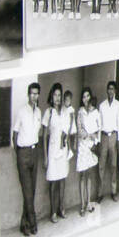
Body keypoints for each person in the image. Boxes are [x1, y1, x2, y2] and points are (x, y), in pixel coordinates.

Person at [11, 82, 43, 236]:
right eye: (32, 93)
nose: (34, 96)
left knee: (30, 191)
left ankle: (24, 224)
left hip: (34, 152)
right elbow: (15, 133)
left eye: (36, 93)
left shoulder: (39, 112)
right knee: (27, 191)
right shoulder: (21, 111)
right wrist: (18, 153)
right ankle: (32, 221)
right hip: (23, 153)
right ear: (28, 94)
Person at [44, 83, 73, 221]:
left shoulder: (65, 111)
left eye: (59, 95)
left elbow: (68, 128)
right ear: (51, 96)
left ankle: (61, 208)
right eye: (55, 95)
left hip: (63, 148)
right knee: (53, 181)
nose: (57, 98)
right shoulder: (49, 112)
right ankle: (53, 212)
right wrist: (45, 156)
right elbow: (44, 136)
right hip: (52, 150)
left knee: (62, 179)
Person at [75, 88, 101, 216]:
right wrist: (89, 135)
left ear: (91, 97)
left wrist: (95, 142)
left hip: (91, 146)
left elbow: (99, 129)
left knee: (89, 175)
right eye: (84, 96)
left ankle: (89, 202)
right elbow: (79, 130)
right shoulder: (80, 112)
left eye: (88, 96)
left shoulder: (95, 112)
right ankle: (82, 204)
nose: (86, 99)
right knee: (82, 175)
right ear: (82, 99)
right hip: (82, 146)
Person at [98, 81, 119, 202]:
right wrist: (99, 140)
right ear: (107, 90)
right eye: (109, 89)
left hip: (113, 136)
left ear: (115, 91)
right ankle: (99, 193)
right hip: (103, 137)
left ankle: (114, 192)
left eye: (112, 89)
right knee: (101, 166)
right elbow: (99, 124)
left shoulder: (118, 104)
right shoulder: (102, 105)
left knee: (113, 166)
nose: (110, 91)